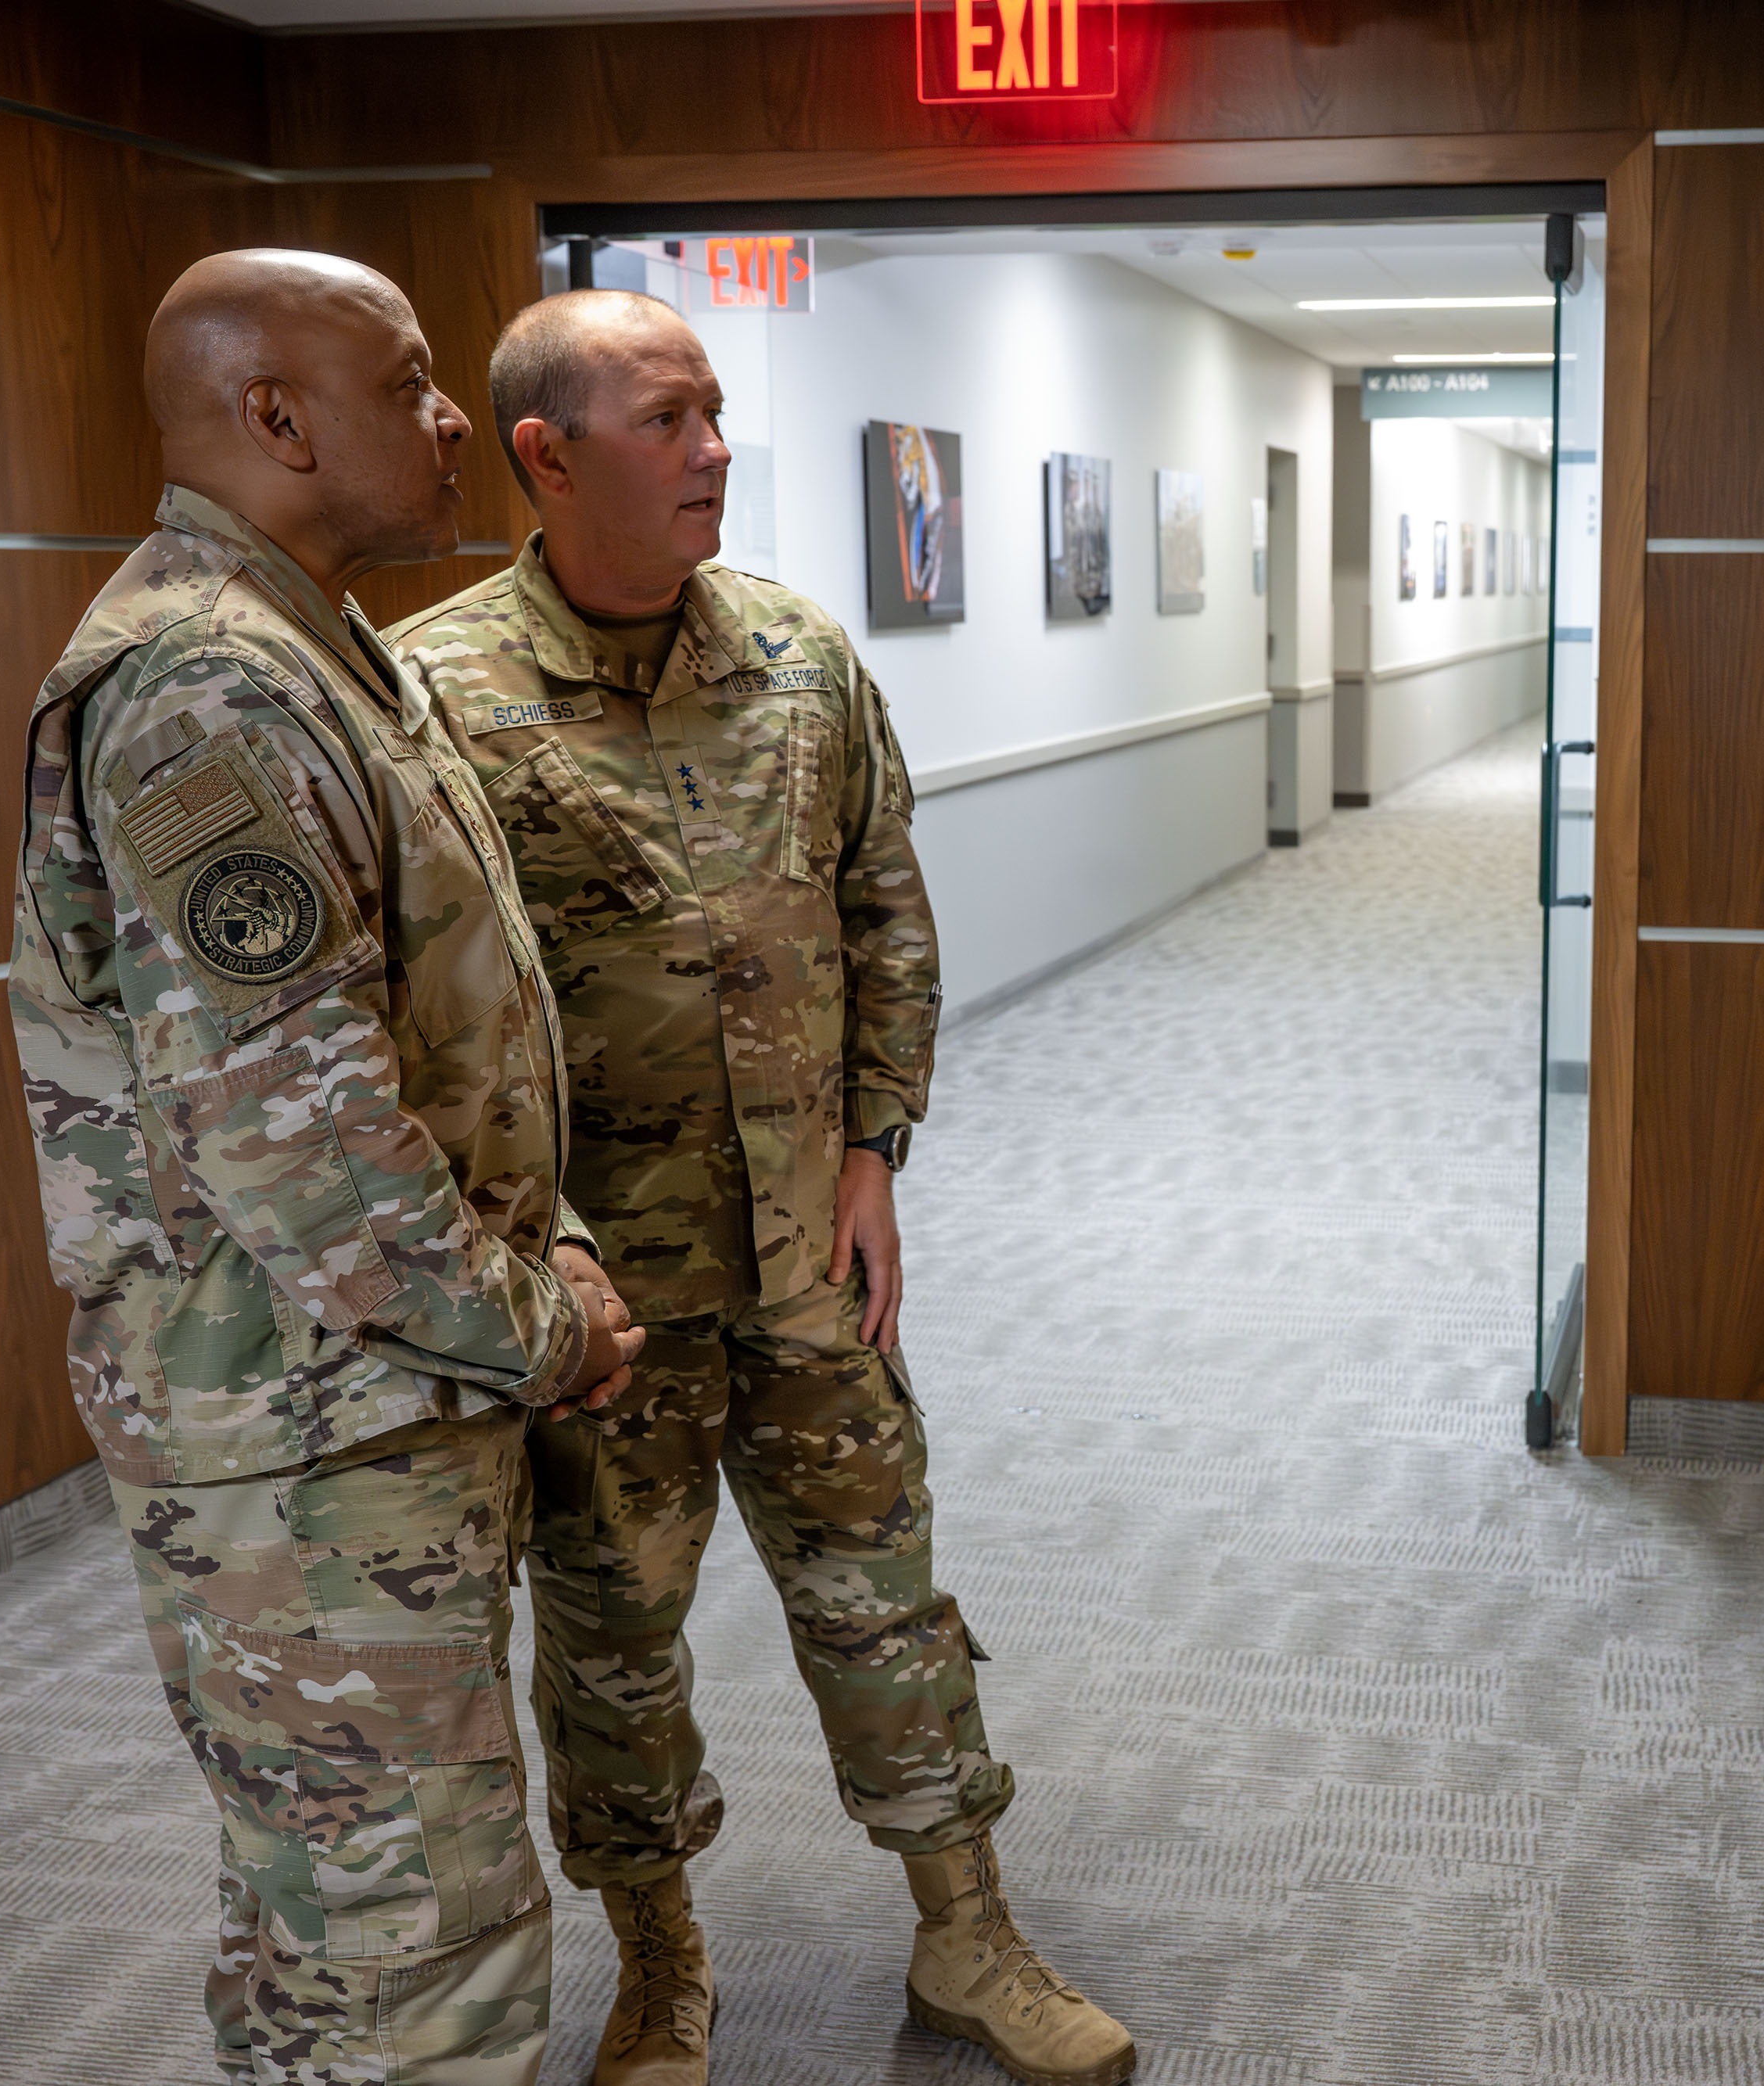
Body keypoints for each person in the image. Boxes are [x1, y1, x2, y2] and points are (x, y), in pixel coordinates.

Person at [386, 289, 1134, 2086]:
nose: (713, 448)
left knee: (884, 1593)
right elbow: (419, 1017)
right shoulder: (431, 693)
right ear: (547, 455)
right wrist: (532, 1264)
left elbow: (883, 908)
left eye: (716, 410)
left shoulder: (800, 656)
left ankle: (966, 1928)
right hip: (600, 1295)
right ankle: (659, 1962)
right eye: (667, 418)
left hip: (810, 1253)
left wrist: (876, 1148)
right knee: (611, 1639)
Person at [8, 250, 646, 2085]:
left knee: (332, 1928)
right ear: (277, 416)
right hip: (309, 1439)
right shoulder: (209, 686)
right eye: (410, 382)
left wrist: (551, 1242)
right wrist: (546, 1325)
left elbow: (450, 1035)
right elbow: (305, 1153)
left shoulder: (316, 645)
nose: (450, 421)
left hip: (372, 1405)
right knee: (413, 1958)